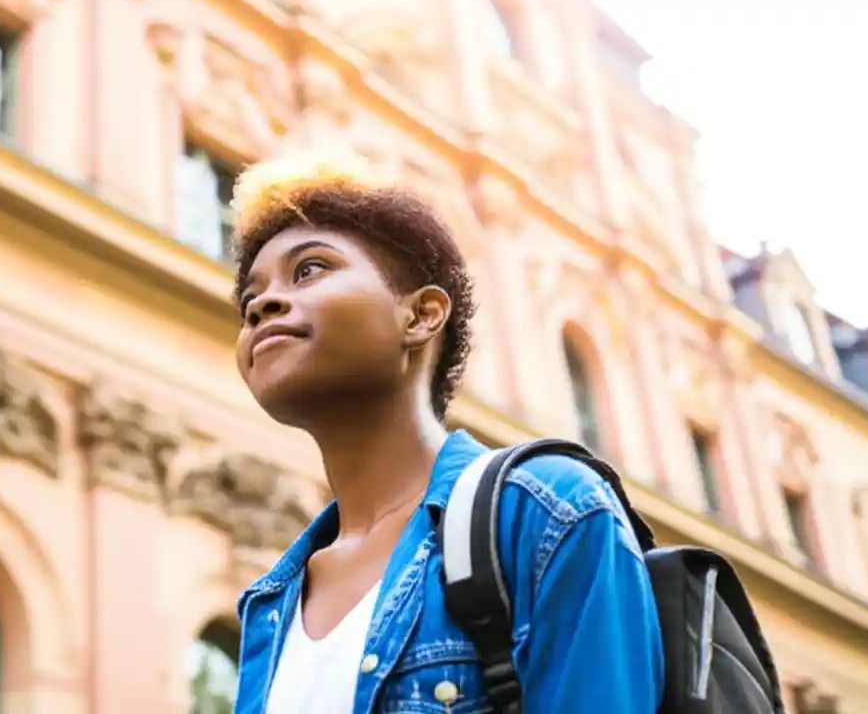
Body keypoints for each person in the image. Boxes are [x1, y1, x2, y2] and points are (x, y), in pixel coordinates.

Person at [227, 149, 664, 713]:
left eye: (310, 268)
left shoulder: (546, 508)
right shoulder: (269, 605)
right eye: (248, 300)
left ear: (420, 316)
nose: (262, 304)